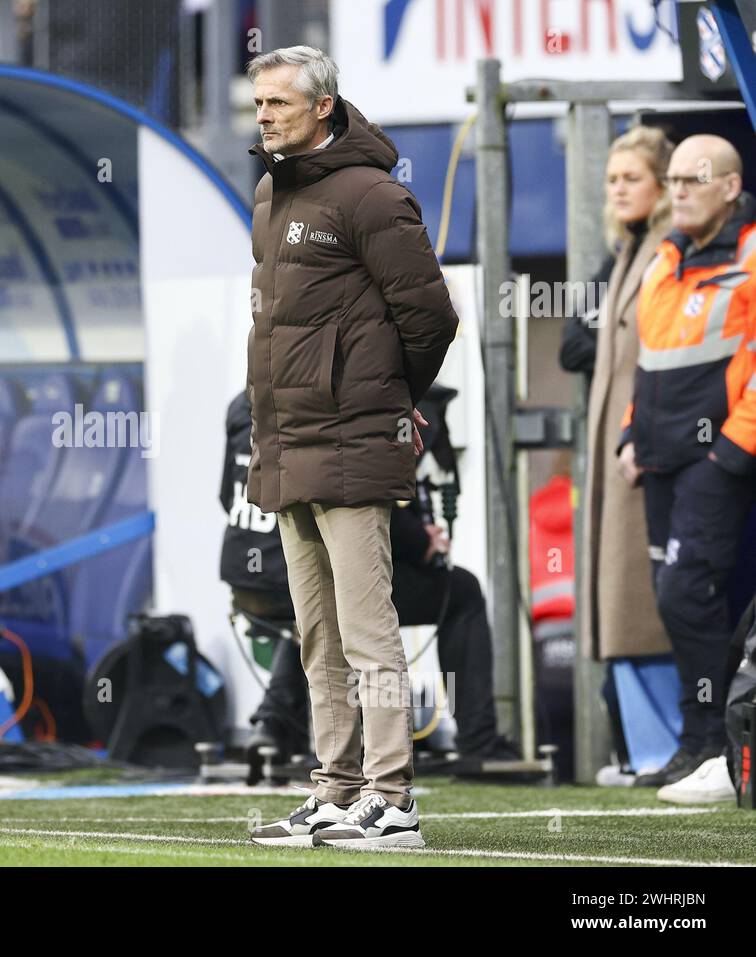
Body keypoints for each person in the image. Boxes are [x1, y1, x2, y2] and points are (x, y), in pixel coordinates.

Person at [242, 46, 458, 850]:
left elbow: (431, 318)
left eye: (278, 105)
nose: (263, 116)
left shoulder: (373, 194)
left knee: (368, 628)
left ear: (324, 107)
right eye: (258, 104)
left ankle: (392, 796)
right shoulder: (269, 194)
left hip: (351, 437)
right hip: (286, 440)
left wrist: (393, 396)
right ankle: (335, 791)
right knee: (315, 632)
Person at [221, 393, 516, 784]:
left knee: (312, 612)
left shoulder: (247, 401)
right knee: (457, 591)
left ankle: (276, 725)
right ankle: (474, 741)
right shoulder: (337, 393)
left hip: (246, 577)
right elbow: (361, 500)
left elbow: (229, 495)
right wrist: (421, 540)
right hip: (298, 564)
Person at [617, 134, 756, 800]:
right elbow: (648, 364)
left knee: (685, 592)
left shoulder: (752, 251)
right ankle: (697, 739)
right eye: (671, 179)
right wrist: (627, 435)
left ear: (731, 186)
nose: (678, 190)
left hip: (715, 457)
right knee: (676, 601)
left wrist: (732, 449)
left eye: (693, 179)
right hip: (659, 457)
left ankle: (713, 745)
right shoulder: (663, 258)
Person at [562, 126, 676, 785]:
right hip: (616, 449)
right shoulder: (627, 253)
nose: (618, 189)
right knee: (618, 593)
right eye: (611, 180)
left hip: (650, 444)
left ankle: (670, 748)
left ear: (661, 187)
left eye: (632, 178)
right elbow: (571, 346)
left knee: (648, 597)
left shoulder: (667, 253)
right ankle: (646, 750)